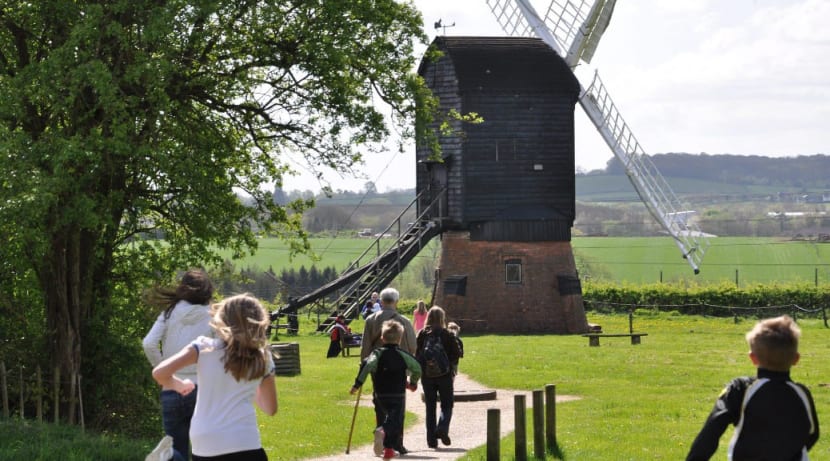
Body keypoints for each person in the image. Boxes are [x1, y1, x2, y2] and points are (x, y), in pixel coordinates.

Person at [151, 294, 278, 461]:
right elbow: (270, 408)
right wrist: (249, 386)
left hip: (206, 444)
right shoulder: (263, 358)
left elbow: (160, 373)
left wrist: (178, 385)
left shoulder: (203, 347)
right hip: (246, 441)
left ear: (222, 320)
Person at [686, 315, 819, 460]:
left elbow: (711, 432)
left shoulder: (740, 388)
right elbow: (812, 433)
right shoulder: (802, 393)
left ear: (753, 357)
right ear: (796, 359)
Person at [143, 269, 215, 461]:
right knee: (205, 450)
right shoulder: (214, 315)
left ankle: (169, 456)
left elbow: (148, 343)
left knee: (177, 448)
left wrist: (164, 373)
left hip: (171, 388)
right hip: (203, 388)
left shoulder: (169, 312)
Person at [350, 320, 421, 461]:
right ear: (399, 339)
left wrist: (357, 384)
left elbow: (368, 365)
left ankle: (388, 451)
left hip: (380, 393)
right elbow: (417, 368)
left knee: (387, 418)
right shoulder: (403, 355)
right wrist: (413, 383)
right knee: (395, 421)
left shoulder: (377, 354)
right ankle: (382, 432)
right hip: (398, 394)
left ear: (382, 338)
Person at [360, 287, 417, 454]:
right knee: (398, 407)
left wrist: (364, 366)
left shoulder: (370, 320)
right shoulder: (404, 321)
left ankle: (382, 437)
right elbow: (413, 346)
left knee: (380, 404)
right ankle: (397, 443)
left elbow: (365, 347)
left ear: (381, 301)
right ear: (396, 302)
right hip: (398, 370)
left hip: (377, 369)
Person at [415, 306, 462, 449]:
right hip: (445, 375)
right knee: (447, 404)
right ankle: (442, 427)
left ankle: (431, 440)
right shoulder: (447, 334)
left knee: (430, 407)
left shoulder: (422, 333)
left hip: (427, 376)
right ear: (442, 318)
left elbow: (417, 354)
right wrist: (449, 366)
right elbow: (456, 353)